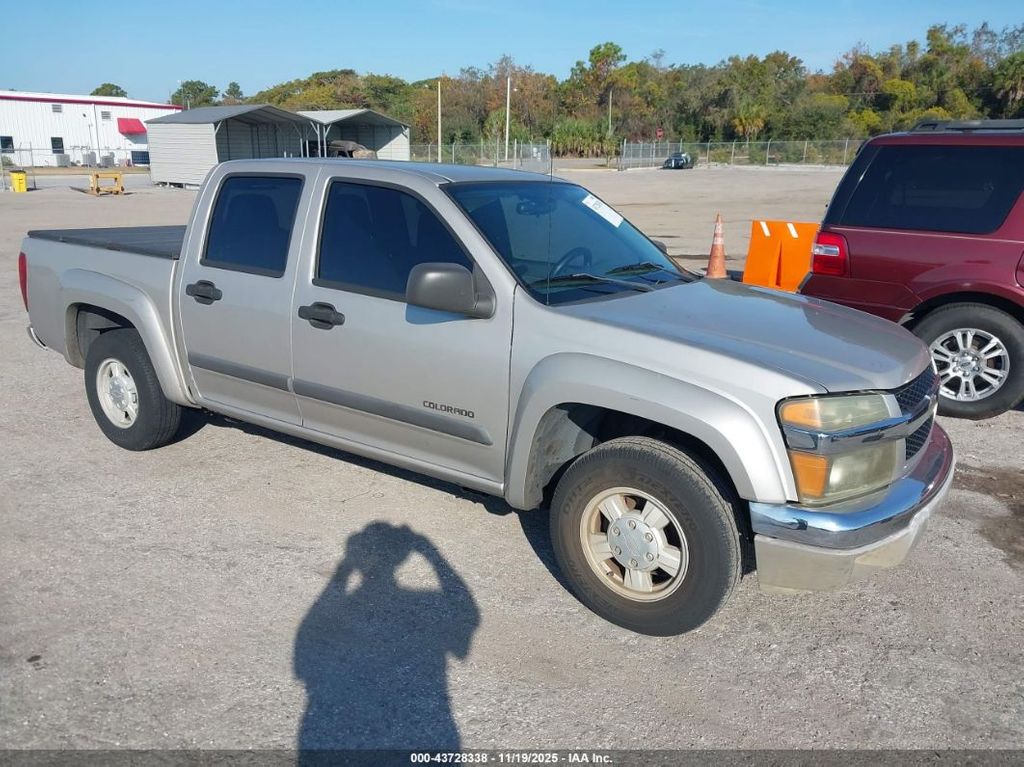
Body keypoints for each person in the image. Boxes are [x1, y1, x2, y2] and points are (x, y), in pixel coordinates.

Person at [294, 522, 479, 755]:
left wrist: (346, 565)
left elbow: (305, 654)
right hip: (420, 731)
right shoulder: (425, 604)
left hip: (333, 734)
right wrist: (431, 554)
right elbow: (465, 614)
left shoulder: (341, 611)